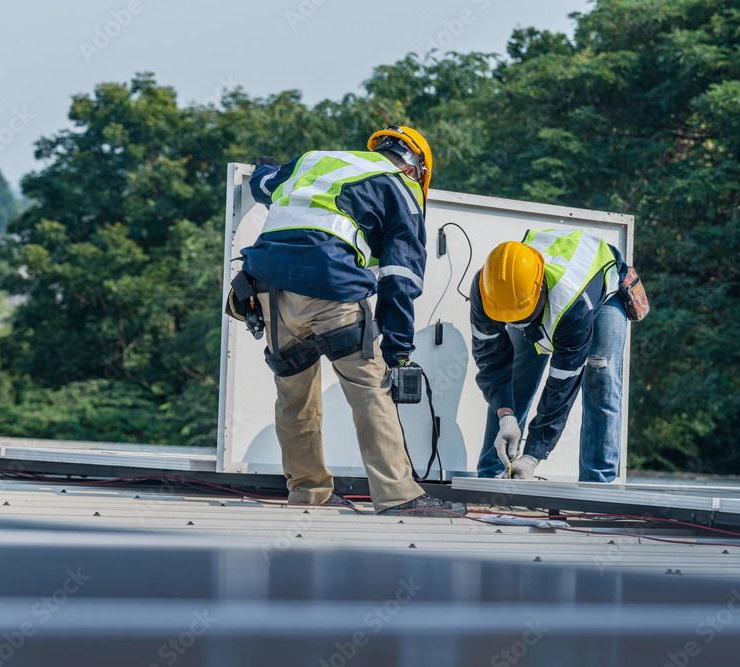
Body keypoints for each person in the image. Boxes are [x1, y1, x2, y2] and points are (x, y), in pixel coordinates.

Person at [233, 125, 467, 516]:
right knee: (369, 388)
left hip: (266, 286)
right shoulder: (400, 187)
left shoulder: (314, 162)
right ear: (417, 170)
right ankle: (399, 496)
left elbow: (265, 184)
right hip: (331, 285)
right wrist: (397, 349)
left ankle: (309, 492)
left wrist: (261, 168)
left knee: (293, 393)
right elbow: (400, 278)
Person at [470, 229, 630, 482]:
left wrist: (533, 454)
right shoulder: (487, 289)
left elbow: (562, 387)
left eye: (522, 319)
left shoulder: (575, 306)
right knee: (516, 376)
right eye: (511, 320)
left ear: (540, 291)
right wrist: (506, 415)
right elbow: (491, 361)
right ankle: (492, 475)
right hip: (532, 295)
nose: (518, 325)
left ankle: (597, 485)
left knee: (602, 379)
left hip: (602, 291)